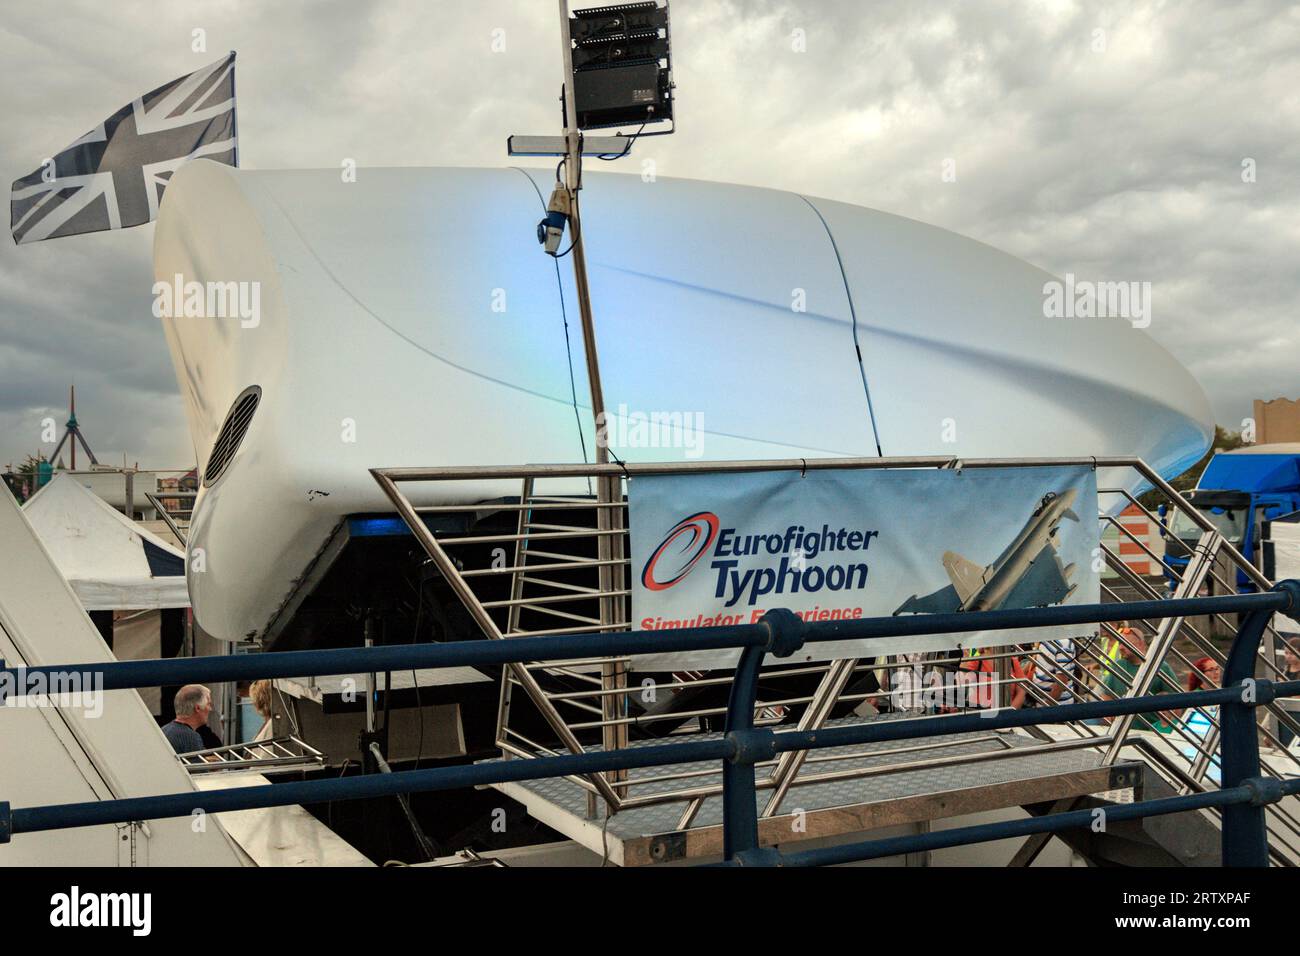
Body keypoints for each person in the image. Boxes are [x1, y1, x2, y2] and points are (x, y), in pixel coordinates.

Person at [1099, 627, 1180, 733]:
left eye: (1125, 643)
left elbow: (1176, 702)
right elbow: (1107, 695)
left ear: (1141, 644)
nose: (1121, 648)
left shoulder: (1160, 667)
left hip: (1153, 733)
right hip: (1123, 731)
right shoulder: (1118, 666)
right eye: (1120, 644)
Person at [161, 684, 218, 755]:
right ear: (197, 708)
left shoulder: (163, 730)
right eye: (208, 704)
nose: (210, 709)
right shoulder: (191, 737)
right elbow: (197, 765)